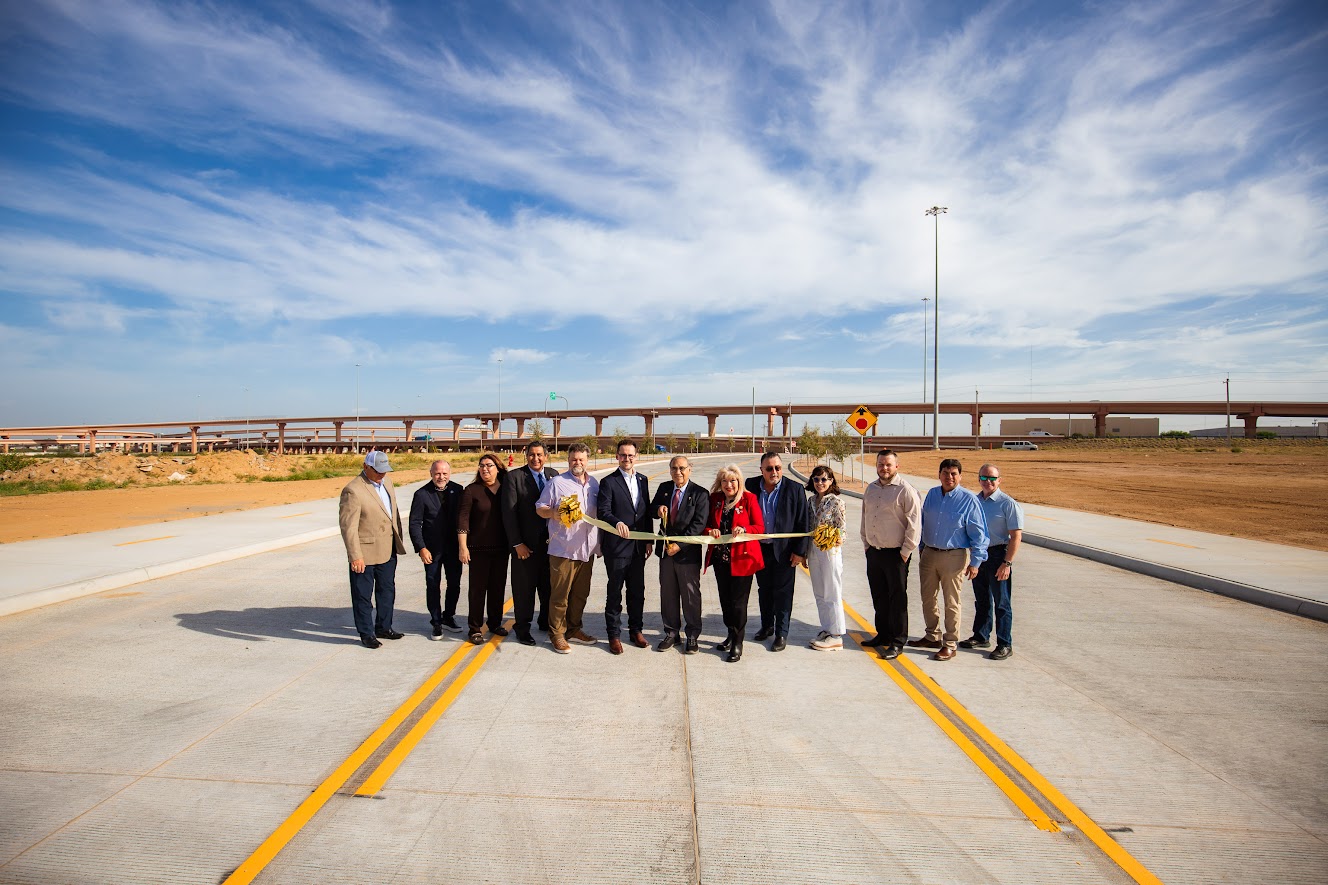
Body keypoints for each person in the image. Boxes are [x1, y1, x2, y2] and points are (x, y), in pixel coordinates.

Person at [909, 459, 988, 661]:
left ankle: (950, 643)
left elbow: (979, 534)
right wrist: (921, 548)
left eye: (954, 473)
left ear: (960, 476)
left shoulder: (969, 500)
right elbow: (923, 522)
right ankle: (932, 635)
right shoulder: (933, 495)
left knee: (951, 601)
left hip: (954, 556)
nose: (949, 477)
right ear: (939, 474)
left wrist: (976, 562)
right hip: (929, 553)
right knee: (928, 597)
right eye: (945, 472)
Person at [535, 443, 601, 654]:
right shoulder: (557, 483)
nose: (577, 463)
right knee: (560, 595)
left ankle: (574, 629)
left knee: (580, 595)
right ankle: (557, 634)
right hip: (563, 550)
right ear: (568, 460)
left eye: (581, 459)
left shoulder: (594, 485)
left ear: (587, 461)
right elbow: (540, 507)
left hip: (586, 550)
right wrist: (552, 513)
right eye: (574, 459)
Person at [338, 450, 407, 649]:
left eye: (384, 470)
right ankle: (366, 633)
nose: (381, 474)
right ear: (365, 467)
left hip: (387, 550)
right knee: (363, 596)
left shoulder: (388, 483)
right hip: (364, 554)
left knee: (387, 591)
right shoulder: (352, 490)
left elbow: (391, 513)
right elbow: (348, 527)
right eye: (377, 471)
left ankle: (384, 627)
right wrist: (355, 556)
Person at [860, 449, 922, 660]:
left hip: (896, 554)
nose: (884, 468)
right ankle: (883, 635)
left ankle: (897, 641)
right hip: (874, 552)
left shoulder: (906, 490)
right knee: (879, 596)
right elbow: (865, 516)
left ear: (897, 467)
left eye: (888, 464)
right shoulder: (871, 488)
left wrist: (905, 553)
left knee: (897, 599)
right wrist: (866, 543)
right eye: (880, 464)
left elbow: (914, 525)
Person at [745, 451, 809, 651]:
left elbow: (802, 522)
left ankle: (781, 633)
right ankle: (766, 627)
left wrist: (800, 552)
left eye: (778, 468)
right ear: (762, 470)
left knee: (783, 593)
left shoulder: (795, 489)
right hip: (759, 549)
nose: (774, 472)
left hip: (784, 551)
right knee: (764, 590)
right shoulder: (751, 485)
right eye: (769, 468)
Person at [960, 463, 1024, 661]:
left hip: (998, 556)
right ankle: (981, 636)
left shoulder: (1007, 504)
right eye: (984, 478)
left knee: (1002, 603)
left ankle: (1005, 643)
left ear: (999, 480)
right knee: (982, 599)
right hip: (980, 555)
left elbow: (1016, 536)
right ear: (978, 479)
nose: (988, 482)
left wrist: (1007, 563)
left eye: (992, 478)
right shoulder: (974, 501)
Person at [597, 439, 653, 654]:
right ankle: (614, 634)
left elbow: (645, 511)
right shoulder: (608, 482)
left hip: (638, 547)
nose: (627, 459)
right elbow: (603, 511)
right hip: (617, 546)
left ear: (636, 456)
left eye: (630, 455)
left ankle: (636, 630)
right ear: (617, 456)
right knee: (615, 593)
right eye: (623, 455)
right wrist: (616, 522)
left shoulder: (643, 479)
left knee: (637, 591)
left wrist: (647, 539)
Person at [650, 455, 710, 654]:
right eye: (674, 468)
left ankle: (692, 635)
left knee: (690, 596)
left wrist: (680, 545)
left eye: (682, 468)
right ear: (670, 470)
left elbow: (699, 524)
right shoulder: (664, 488)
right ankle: (671, 633)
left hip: (687, 554)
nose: (678, 472)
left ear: (690, 469)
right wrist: (658, 509)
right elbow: (651, 509)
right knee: (668, 594)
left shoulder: (700, 493)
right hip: (666, 553)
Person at [501, 440, 559, 646]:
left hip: (551, 545)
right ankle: (523, 627)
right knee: (524, 589)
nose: (536, 458)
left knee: (548, 586)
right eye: (532, 455)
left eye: (540, 455)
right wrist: (517, 544)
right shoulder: (514, 478)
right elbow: (509, 514)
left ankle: (545, 621)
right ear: (526, 456)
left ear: (546, 456)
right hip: (526, 546)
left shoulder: (554, 475)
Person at [705, 465, 764, 663]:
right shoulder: (715, 499)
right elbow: (706, 525)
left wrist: (744, 528)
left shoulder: (749, 499)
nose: (728, 485)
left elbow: (759, 527)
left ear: (739, 481)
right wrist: (710, 531)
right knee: (725, 601)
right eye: (724, 481)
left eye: (732, 481)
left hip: (742, 560)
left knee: (739, 604)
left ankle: (738, 643)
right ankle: (730, 634)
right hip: (721, 560)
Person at [408, 459, 464, 639]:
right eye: (437, 473)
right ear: (431, 473)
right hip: (431, 549)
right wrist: (421, 548)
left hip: (454, 548)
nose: (441, 477)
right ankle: (436, 621)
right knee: (433, 584)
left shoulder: (459, 490)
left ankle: (449, 617)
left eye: (444, 473)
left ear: (450, 473)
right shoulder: (421, 494)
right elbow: (415, 523)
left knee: (454, 584)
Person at [457, 453, 509, 645]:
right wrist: (463, 547)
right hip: (478, 549)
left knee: (498, 587)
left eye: (489, 465)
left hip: (502, 548)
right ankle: (475, 628)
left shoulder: (506, 489)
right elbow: (463, 520)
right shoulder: (472, 490)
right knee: (477, 590)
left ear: (498, 468)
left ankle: (495, 623)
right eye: (481, 466)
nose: (485, 469)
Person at [804, 465, 847, 651]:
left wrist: (834, 537)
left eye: (824, 479)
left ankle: (837, 635)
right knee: (819, 592)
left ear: (831, 481)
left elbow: (843, 529)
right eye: (816, 479)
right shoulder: (810, 501)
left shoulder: (836, 502)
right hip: (813, 549)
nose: (820, 483)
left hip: (829, 550)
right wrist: (805, 552)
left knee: (832, 591)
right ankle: (827, 629)